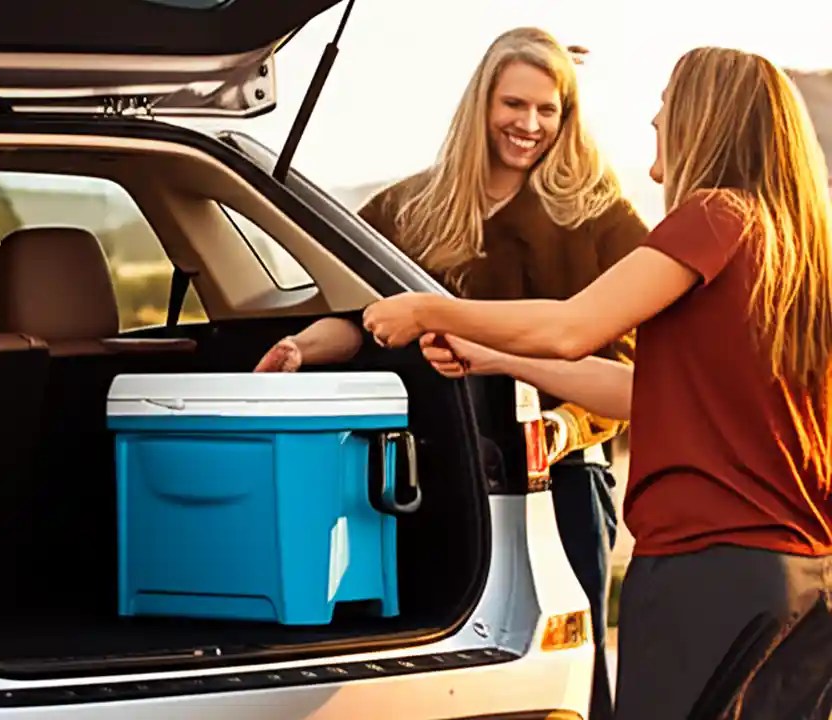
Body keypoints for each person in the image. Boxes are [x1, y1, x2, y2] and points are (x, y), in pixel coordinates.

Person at [366, 45, 832, 720]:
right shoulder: (791, 246)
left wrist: (428, 309)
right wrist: (494, 358)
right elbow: (637, 392)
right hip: (798, 574)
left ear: (704, 116)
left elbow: (572, 326)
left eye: (669, 100)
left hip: (707, 571)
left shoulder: (712, 217)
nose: (654, 116)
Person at [254, 26, 647, 717]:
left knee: (568, 685)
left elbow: (633, 370)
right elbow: (357, 319)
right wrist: (300, 349)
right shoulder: (409, 207)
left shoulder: (601, 218)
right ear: (481, 104)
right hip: (420, 479)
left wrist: (563, 428)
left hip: (556, 483)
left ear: (568, 116)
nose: (529, 125)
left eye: (547, 110)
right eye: (514, 104)